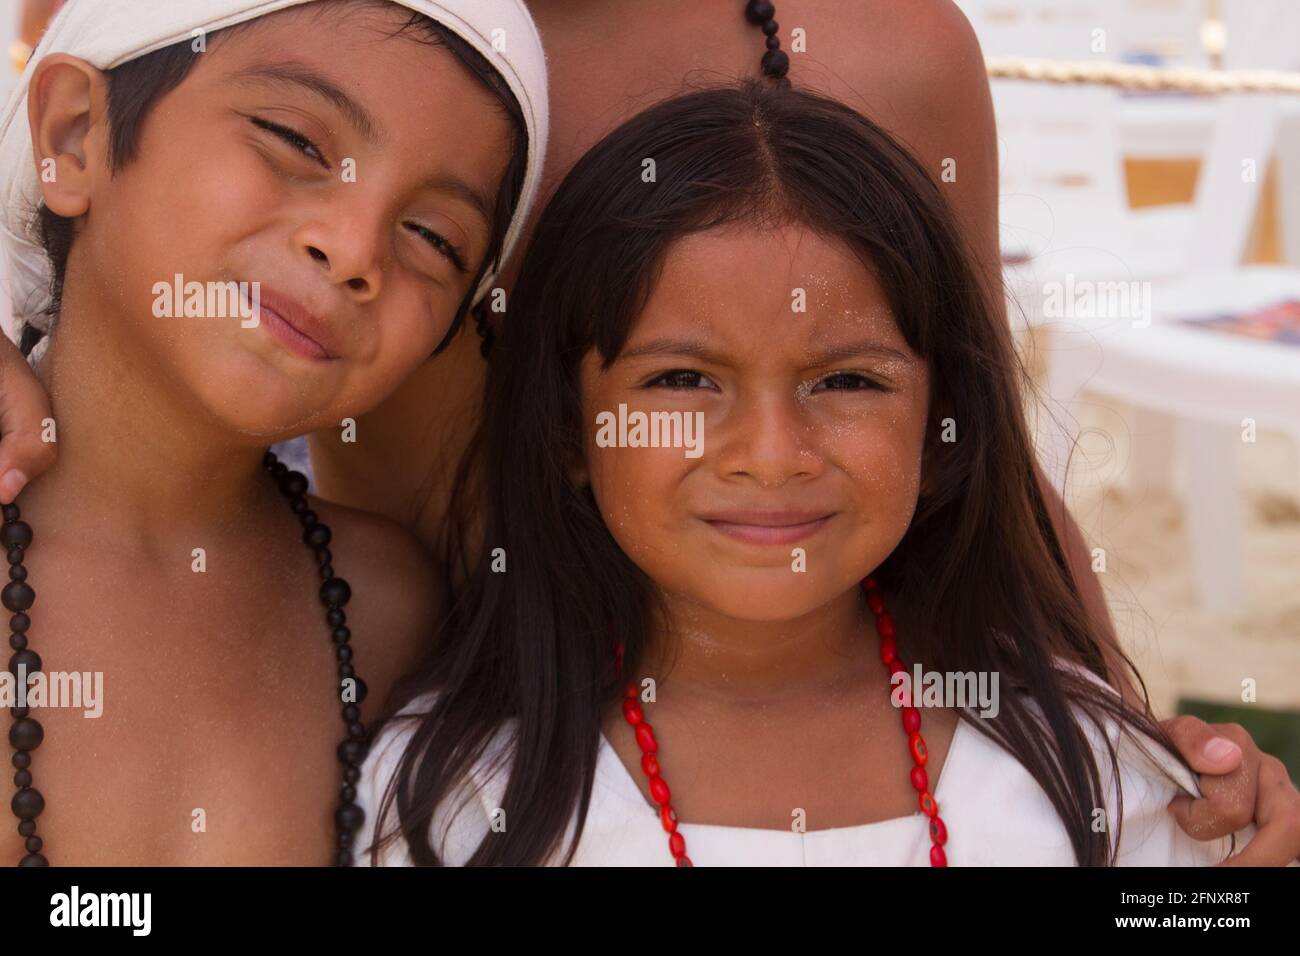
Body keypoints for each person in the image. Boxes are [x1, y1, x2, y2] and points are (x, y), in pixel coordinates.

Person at [6, 0, 1298, 863]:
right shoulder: (438, 772)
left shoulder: (887, 44)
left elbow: (992, 474)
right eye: (683, 380)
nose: (353, 247)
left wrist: (1142, 781)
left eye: (436, 239)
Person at [358, 81, 1258, 866]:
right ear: (567, 429)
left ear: (944, 432)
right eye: (683, 380)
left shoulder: (1092, 771)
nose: (772, 453)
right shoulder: (461, 801)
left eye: (846, 381)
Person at [0, 0, 547, 865]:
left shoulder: (387, 609)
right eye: (297, 143)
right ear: (73, 137)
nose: (355, 248)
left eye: (433, 236)